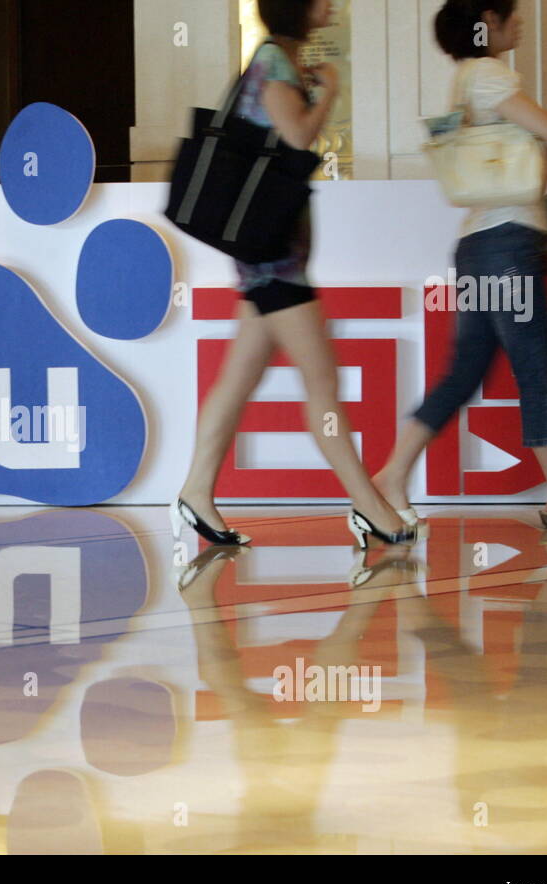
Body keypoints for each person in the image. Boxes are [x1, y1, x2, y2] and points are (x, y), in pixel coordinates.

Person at [172, 0, 416, 551]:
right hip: (273, 260)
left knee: (239, 379)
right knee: (323, 384)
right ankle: (369, 504)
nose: (331, 4)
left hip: (272, 256)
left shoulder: (280, 61)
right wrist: (328, 88)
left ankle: (196, 491)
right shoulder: (274, 63)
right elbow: (299, 135)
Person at [373, 0, 547, 530]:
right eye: (511, 15)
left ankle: (392, 476)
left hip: (480, 248)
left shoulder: (465, 79)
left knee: (465, 371)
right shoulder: (486, 73)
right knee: (534, 369)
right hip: (508, 248)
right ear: (488, 22)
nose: (520, 22)